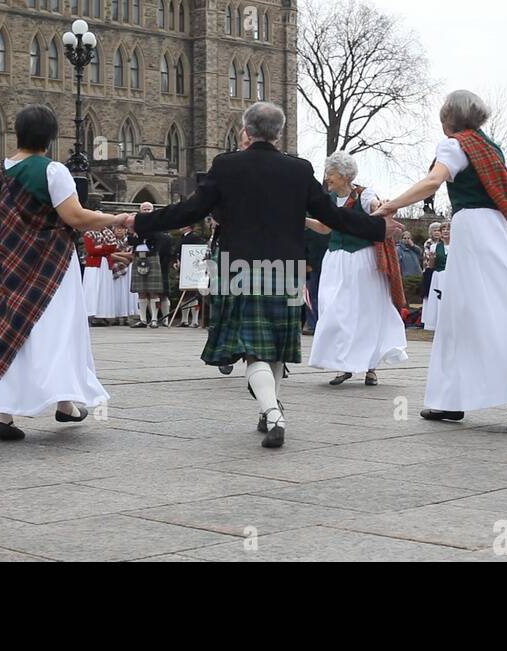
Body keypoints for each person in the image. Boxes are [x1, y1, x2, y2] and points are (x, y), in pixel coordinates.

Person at [129, 102, 399, 448]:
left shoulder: (226, 165)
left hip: (237, 266)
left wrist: (141, 221)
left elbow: (191, 209)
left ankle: (272, 412)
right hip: (286, 268)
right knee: (274, 348)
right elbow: (334, 216)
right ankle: (268, 409)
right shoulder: (299, 170)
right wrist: (378, 227)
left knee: (252, 350)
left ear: (246, 130)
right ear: (280, 132)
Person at [375, 90, 507, 433]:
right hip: (502, 231)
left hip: (474, 232)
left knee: (476, 314)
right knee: (490, 311)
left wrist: (391, 204)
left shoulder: (454, 145)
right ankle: (450, 400)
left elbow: (433, 181)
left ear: (450, 119)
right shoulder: (489, 146)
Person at [0, 105, 132, 441]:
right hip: (49, 269)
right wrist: (114, 219)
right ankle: (66, 404)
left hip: (2, 268)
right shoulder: (53, 171)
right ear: (51, 137)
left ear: (18, 134)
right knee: (56, 334)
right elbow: (76, 217)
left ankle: (5, 416)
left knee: (7, 331)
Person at [307, 150, 408, 387]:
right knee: (334, 310)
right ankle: (345, 363)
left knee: (367, 312)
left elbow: (375, 206)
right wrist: (300, 219)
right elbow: (324, 228)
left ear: (344, 175)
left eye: (330, 173)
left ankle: (370, 367)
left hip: (362, 260)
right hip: (335, 260)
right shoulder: (329, 200)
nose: (326, 178)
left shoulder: (363, 195)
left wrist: (381, 205)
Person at [128, 202, 166, 328]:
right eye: (144, 209)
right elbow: (131, 240)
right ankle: (143, 319)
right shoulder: (135, 225)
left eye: (149, 209)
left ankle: (154, 319)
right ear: (140, 211)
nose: (147, 211)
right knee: (141, 290)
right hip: (139, 257)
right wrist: (137, 234)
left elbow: (158, 237)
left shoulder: (157, 222)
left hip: (152, 256)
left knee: (153, 290)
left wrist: (139, 235)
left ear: (153, 210)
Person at [82, 228, 120, 326]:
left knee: (104, 290)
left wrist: (101, 248)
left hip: (105, 265)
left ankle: (102, 315)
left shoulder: (107, 234)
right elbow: (91, 250)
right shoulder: (88, 234)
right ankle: (91, 314)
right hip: (93, 266)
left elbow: (113, 248)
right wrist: (105, 249)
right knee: (92, 289)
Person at [423, 221, 451, 332]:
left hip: (450, 275)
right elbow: (431, 266)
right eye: (443, 229)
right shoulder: (434, 247)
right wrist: (432, 258)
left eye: (448, 229)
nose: (445, 231)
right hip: (438, 276)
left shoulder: (456, 245)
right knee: (438, 299)